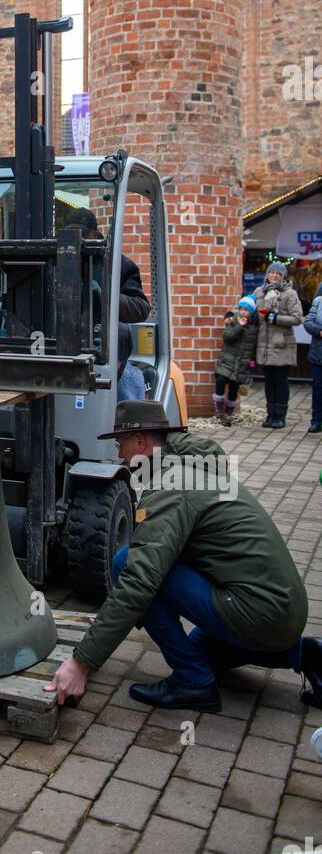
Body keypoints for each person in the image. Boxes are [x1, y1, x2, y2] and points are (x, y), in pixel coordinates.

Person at [46, 400, 321, 714]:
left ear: (140, 441)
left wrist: (82, 661)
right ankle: (306, 655)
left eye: (121, 445)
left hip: (261, 612)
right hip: (280, 609)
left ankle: (193, 683)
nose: (120, 454)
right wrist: (116, 618)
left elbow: (139, 579)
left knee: (126, 563)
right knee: (200, 649)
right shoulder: (192, 465)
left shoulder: (170, 485)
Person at [73, 208, 151, 400]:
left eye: (82, 234)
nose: (78, 240)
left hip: (104, 353)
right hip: (61, 350)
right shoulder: (54, 262)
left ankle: (126, 427)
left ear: (95, 234)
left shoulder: (117, 264)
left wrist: (105, 298)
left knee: (127, 386)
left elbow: (141, 307)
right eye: (71, 234)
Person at [253, 261, 303, 428]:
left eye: (278, 273)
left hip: (282, 344)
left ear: (282, 276)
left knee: (280, 380)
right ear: (267, 274)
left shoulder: (289, 293)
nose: (274, 275)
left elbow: (297, 318)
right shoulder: (259, 292)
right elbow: (253, 313)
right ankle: (270, 415)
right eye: (271, 272)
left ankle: (280, 416)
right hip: (264, 344)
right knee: (268, 382)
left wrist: (276, 318)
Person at [213, 295, 257, 425]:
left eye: (246, 310)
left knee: (234, 388)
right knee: (220, 382)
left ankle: (228, 414)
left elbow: (252, 347)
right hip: (227, 362)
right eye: (241, 309)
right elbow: (228, 337)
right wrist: (239, 326)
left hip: (241, 365)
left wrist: (252, 362)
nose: (243, 312)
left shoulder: (254, 328)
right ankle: (220, 412)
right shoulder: (232, 322)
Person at [304, 279, 322, 434]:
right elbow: (308, 322)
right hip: (319, 353)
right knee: (317, 389)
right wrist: (320, 331)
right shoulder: (318, 301)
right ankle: (316, 420)